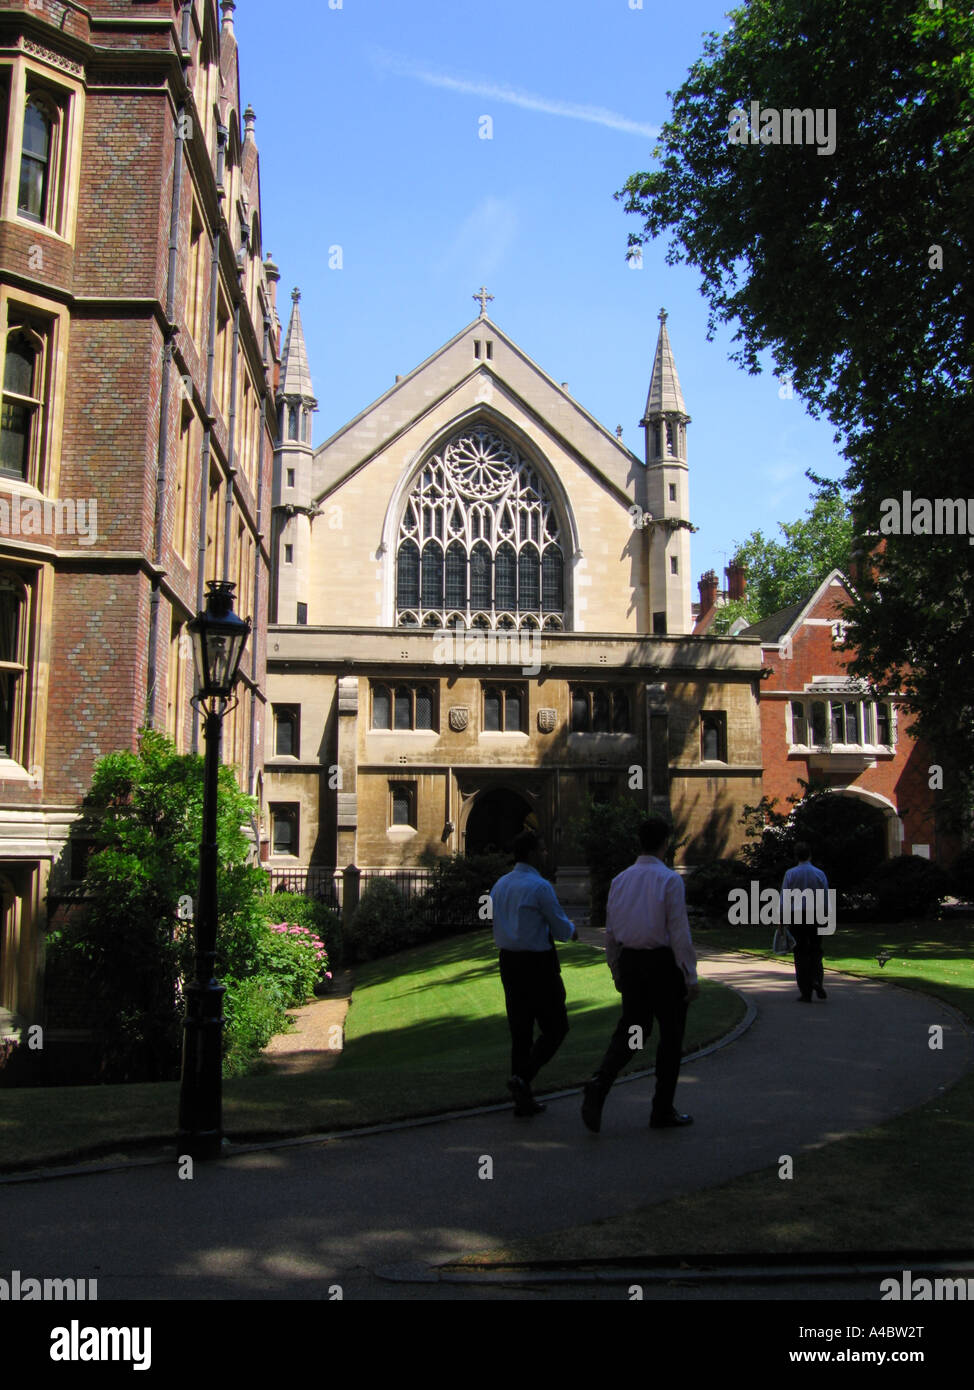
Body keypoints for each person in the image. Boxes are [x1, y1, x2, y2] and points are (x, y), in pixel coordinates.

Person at [581, 815, 699, 1133]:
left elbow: (611, 932)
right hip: (663, 967)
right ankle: (661, 1110)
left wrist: (616, 969)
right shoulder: (669, 880)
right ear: (666, 843)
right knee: (671, 1037)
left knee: (633, 1032)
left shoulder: (621, 880)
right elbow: (679, 933)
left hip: (632, 963)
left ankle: (600, 1082)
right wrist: (690, 976)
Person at [490, 830, 577, 1117]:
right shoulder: (539, 887)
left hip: (509, 964)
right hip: (538, 966)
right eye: (541, 849)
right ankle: (523, 1078)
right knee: (556, 1027)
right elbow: (562, 929)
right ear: (529, 853)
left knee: (521, 1032)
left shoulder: (499, 885)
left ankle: (522, 1101)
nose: (546, 853)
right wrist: (573, 930)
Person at [783, 841, 829, 1002]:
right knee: (816, 950)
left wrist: (782, 920)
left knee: (800, 952)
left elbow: (785, 898)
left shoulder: (791, 874)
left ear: (796, 856)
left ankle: (805, 991)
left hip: (797, 916)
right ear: (810, 855)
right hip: (816, 914)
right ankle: (817, 979)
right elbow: (825, 897)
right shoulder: (819, 873)